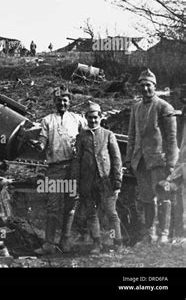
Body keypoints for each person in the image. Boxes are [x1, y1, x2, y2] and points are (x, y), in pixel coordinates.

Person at [125, 69, 178, 244]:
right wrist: (129, 159)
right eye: (142, 85)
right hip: (140, 161)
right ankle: (150, 232)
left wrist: (171, 163)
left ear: (155, 86)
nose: (145, 89)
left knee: (163, 198)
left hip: (158, 161)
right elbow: (132, 135)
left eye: (148, 85)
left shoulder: (164, 107)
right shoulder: (136, 107)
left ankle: (163, 233)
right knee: (146, 198)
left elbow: (171, 139)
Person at [33, 85, 86, 254]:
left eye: (65, 100)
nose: (62, 103)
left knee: (70, 203)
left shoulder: (77, 119)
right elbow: (43, 139)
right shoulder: (47, 120)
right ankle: (49, 243)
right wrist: (38, 146)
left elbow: (86, 137)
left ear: (69, 102)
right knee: (53, 205)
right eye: (58, 101)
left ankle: (65, 240)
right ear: (54, 102)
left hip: (72, 167)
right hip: (55, 168)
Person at [72, 102, 123, 254]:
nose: (93, 121)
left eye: (95, 117)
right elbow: (77, 160)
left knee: (111, 212)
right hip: (87, 182)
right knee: (91, 213)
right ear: (86, 118)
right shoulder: (81, 137)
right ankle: (97, 243)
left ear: (100, 117)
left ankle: (118, 242)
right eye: (90, 118)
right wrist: (75, 181)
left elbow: (116, 158)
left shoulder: (108, 135)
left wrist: (117, 179)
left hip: (105, 181)